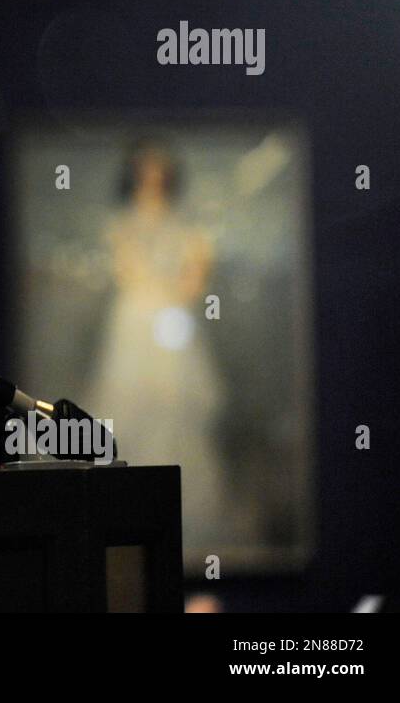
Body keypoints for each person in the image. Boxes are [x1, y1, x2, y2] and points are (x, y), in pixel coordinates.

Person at [81, 138, 228, 561]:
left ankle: (182, 516)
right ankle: (128, 515)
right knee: (131, 407)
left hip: (171, 323)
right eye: (146, 169)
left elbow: (196, 275)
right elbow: (126, 270)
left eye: (159, 170)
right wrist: (156, 295)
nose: (152, 177)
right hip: (136, 323)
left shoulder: (187, 226)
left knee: (176, 407)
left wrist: (176, 293)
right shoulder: (121, 223)